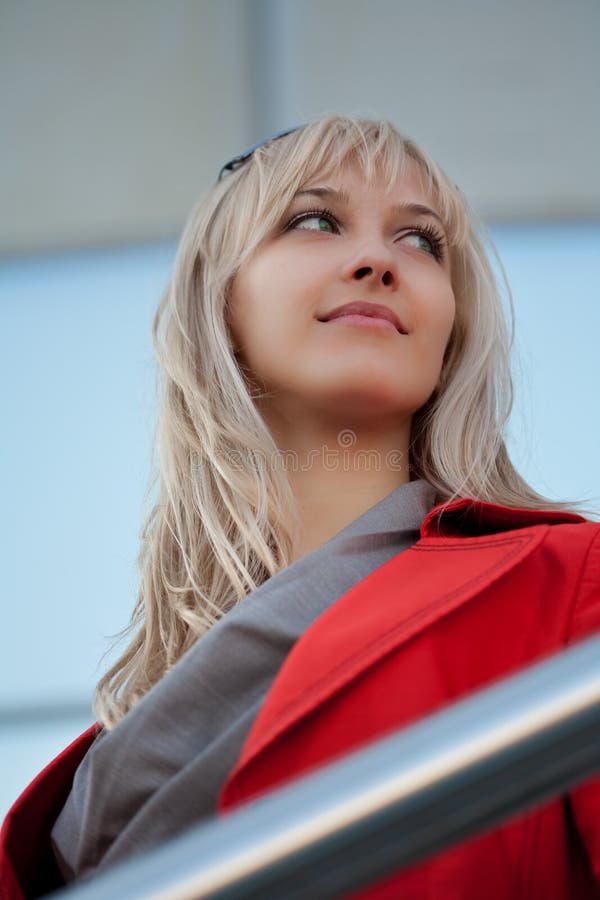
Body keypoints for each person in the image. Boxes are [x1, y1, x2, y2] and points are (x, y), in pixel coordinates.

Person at [2, 115, 599, 899]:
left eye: (421, 241)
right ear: (220, 303)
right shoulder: (91, 782)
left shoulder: (570, 589)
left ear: (453, 331)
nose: (377, 261)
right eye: (315, 220)